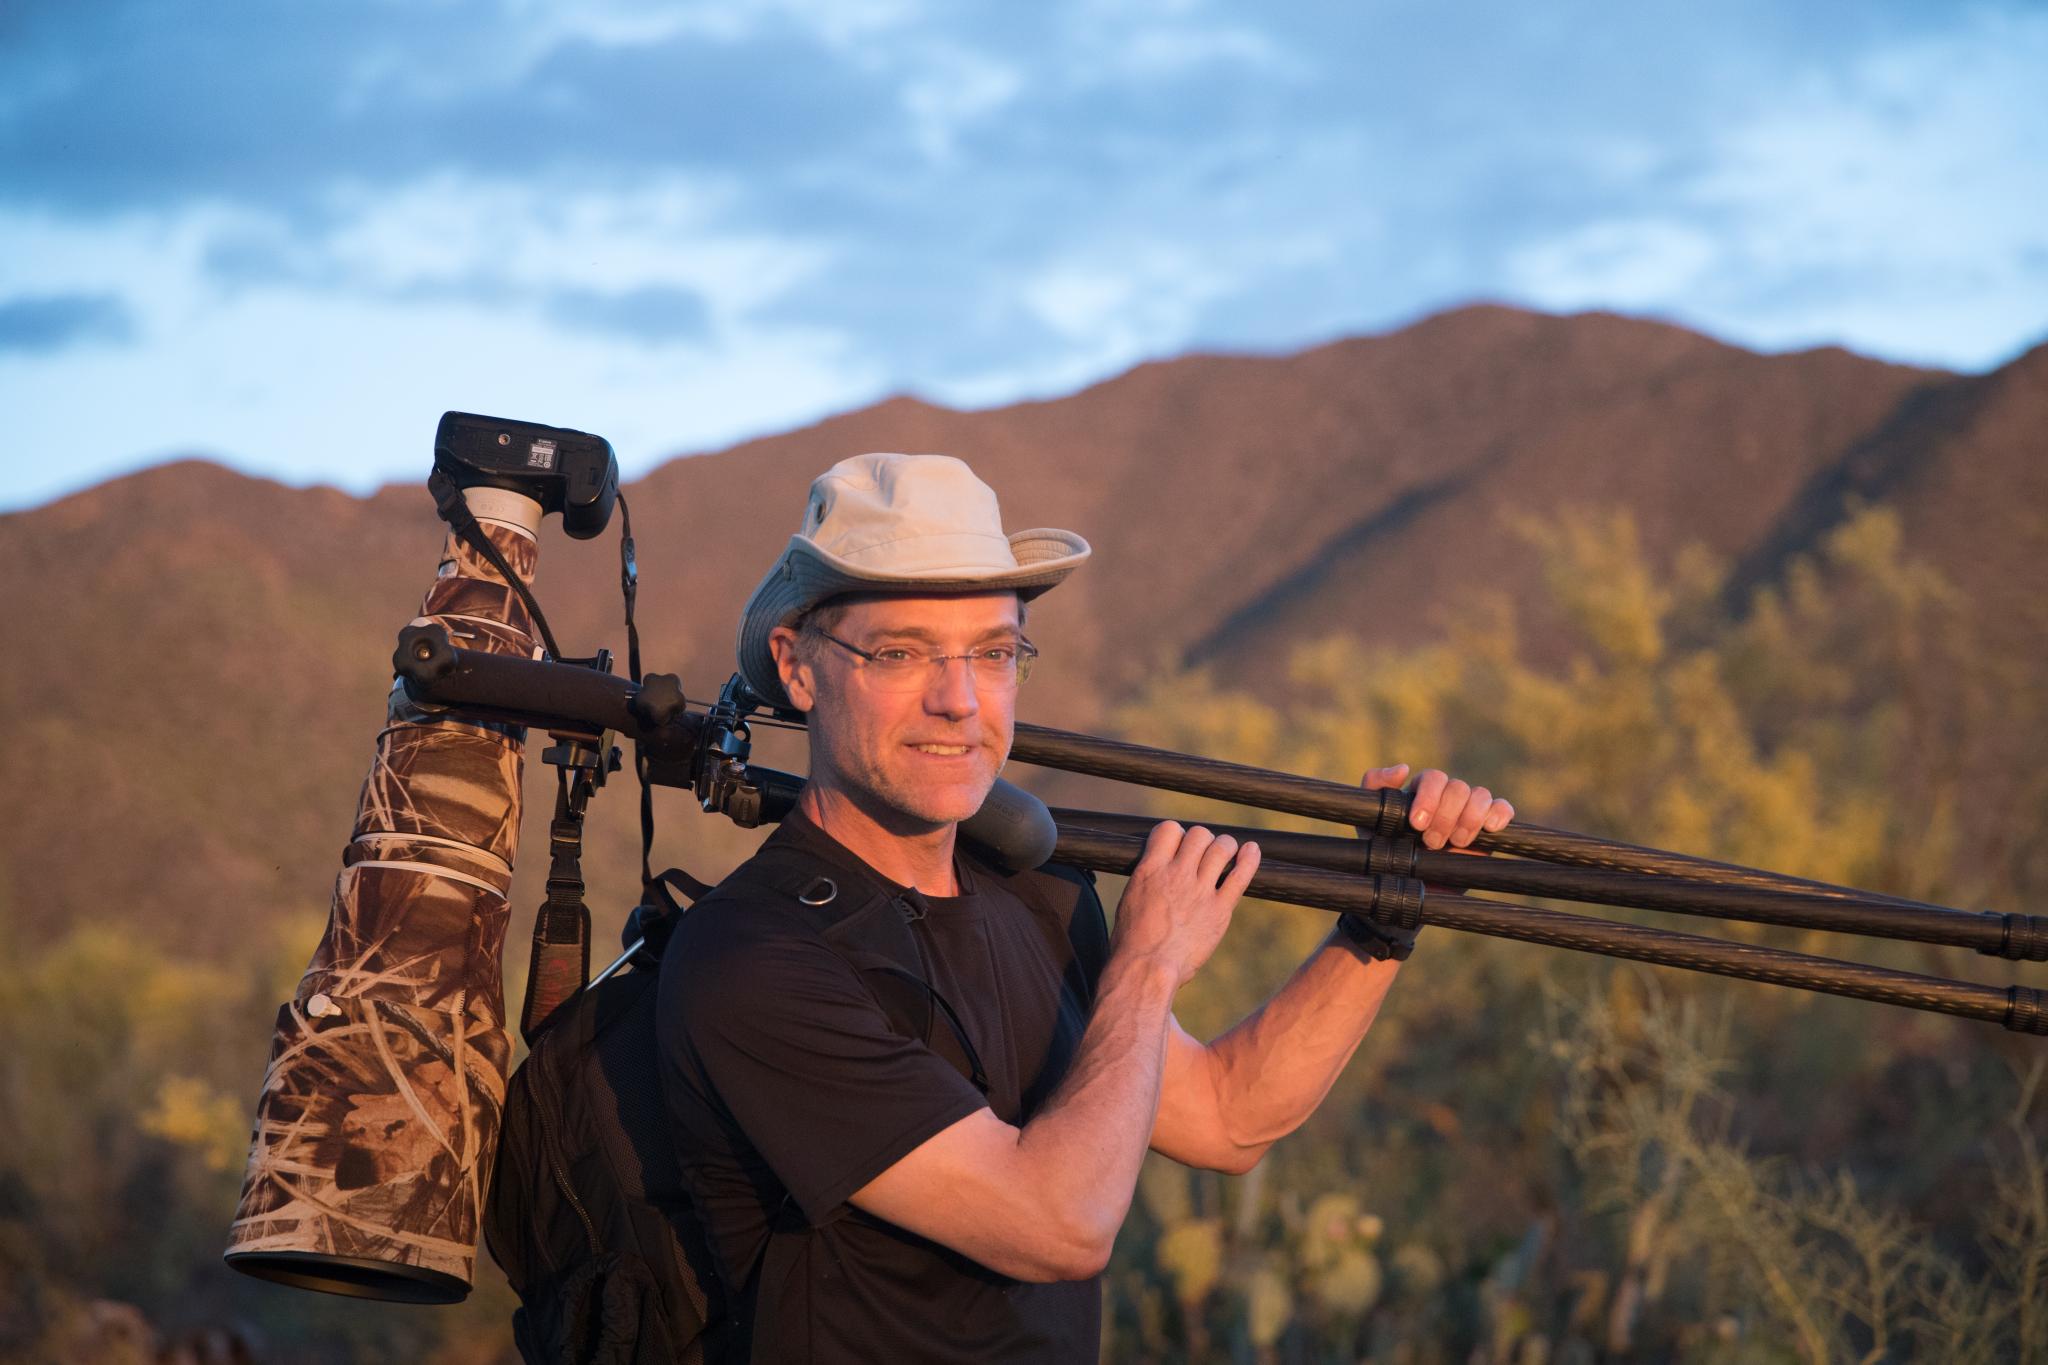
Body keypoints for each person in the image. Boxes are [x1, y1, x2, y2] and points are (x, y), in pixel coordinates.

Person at [655, 453, 1511, 1362]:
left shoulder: (1036, 893)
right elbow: (1056, 1223)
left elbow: (1226, 1116)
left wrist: (1389, 913)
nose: (958, 700)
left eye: (991, 652)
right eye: (901, 652)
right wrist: (1148, 963)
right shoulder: (755, 960)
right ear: (798, 667)